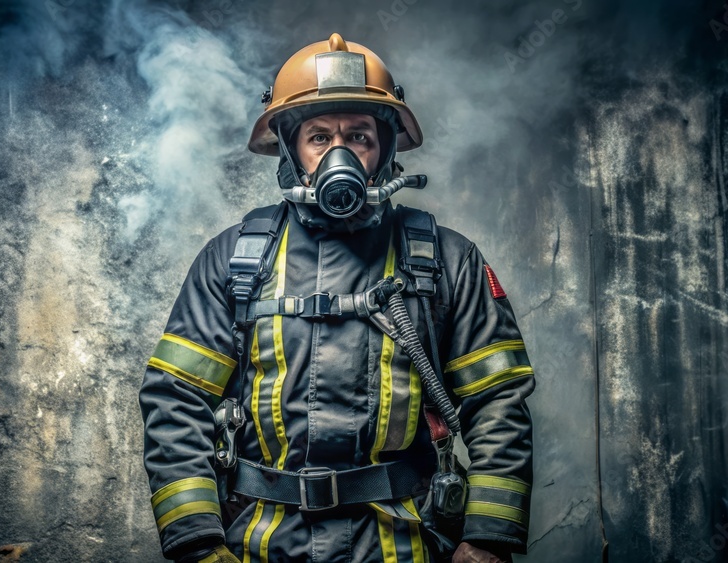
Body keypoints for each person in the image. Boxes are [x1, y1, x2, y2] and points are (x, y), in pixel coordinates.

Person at [140, 33, 535, 563]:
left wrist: (487, 539)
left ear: (385, 149)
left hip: (404, 543)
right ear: (291, 149)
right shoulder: (234, 259)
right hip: (262, 544)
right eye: (319, 137)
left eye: (359, 137)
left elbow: (499, 402)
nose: (339, 155)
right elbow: (175, 398)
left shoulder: (446, 260)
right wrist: (198, 544)